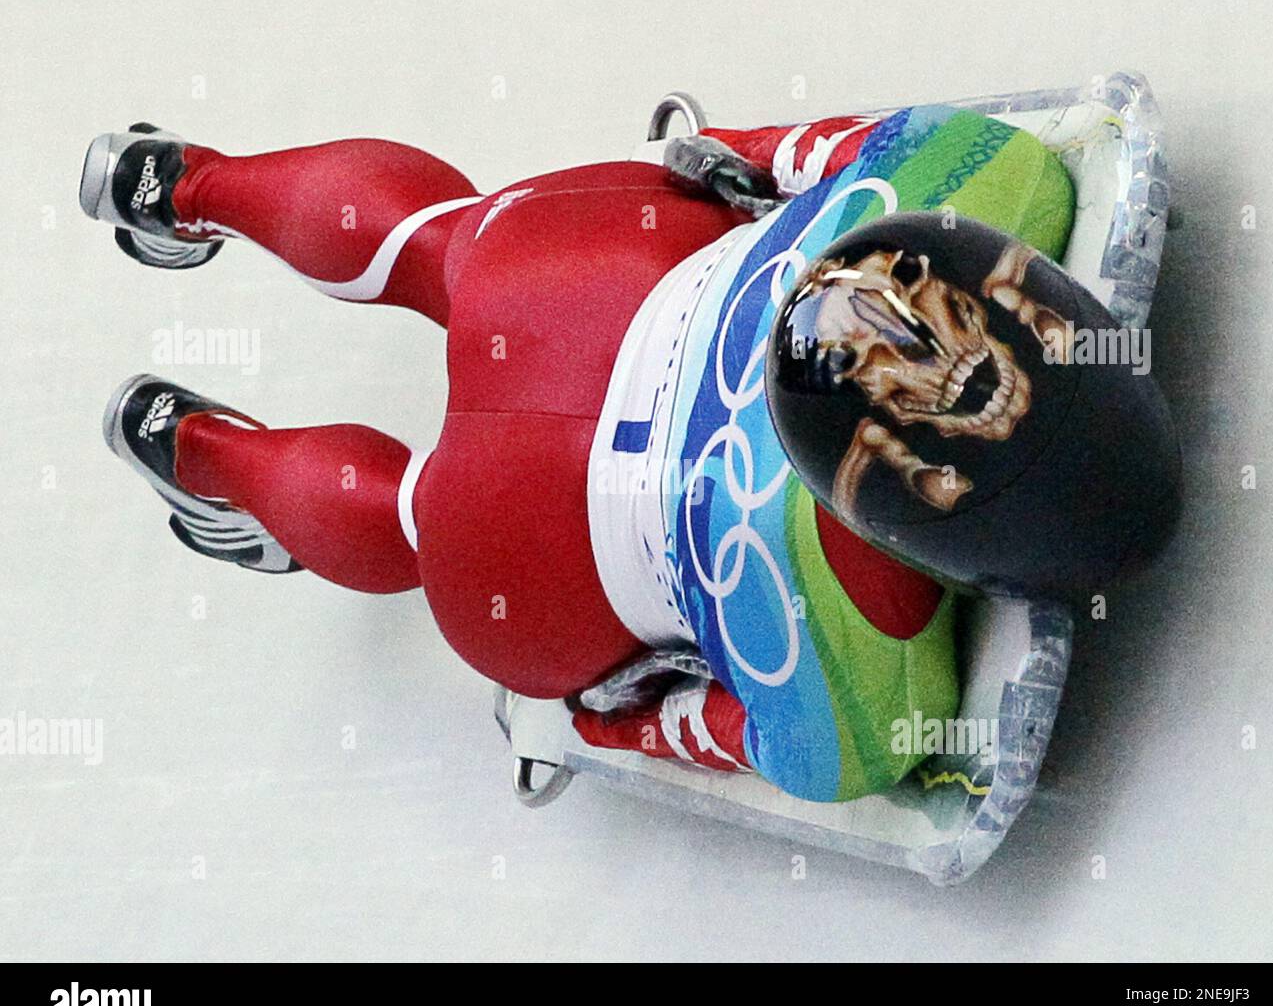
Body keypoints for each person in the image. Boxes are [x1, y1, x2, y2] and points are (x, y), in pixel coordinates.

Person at [81, 102, 1076, 801]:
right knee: (421, 521)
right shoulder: (870, 689)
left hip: (595, 273)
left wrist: (725, 158)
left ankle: (190, 186)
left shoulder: (993, 182)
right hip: (543, 529)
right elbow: (810, 758)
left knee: (447, 242)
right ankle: (207, 455)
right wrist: (620, 714)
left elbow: (909, 148)